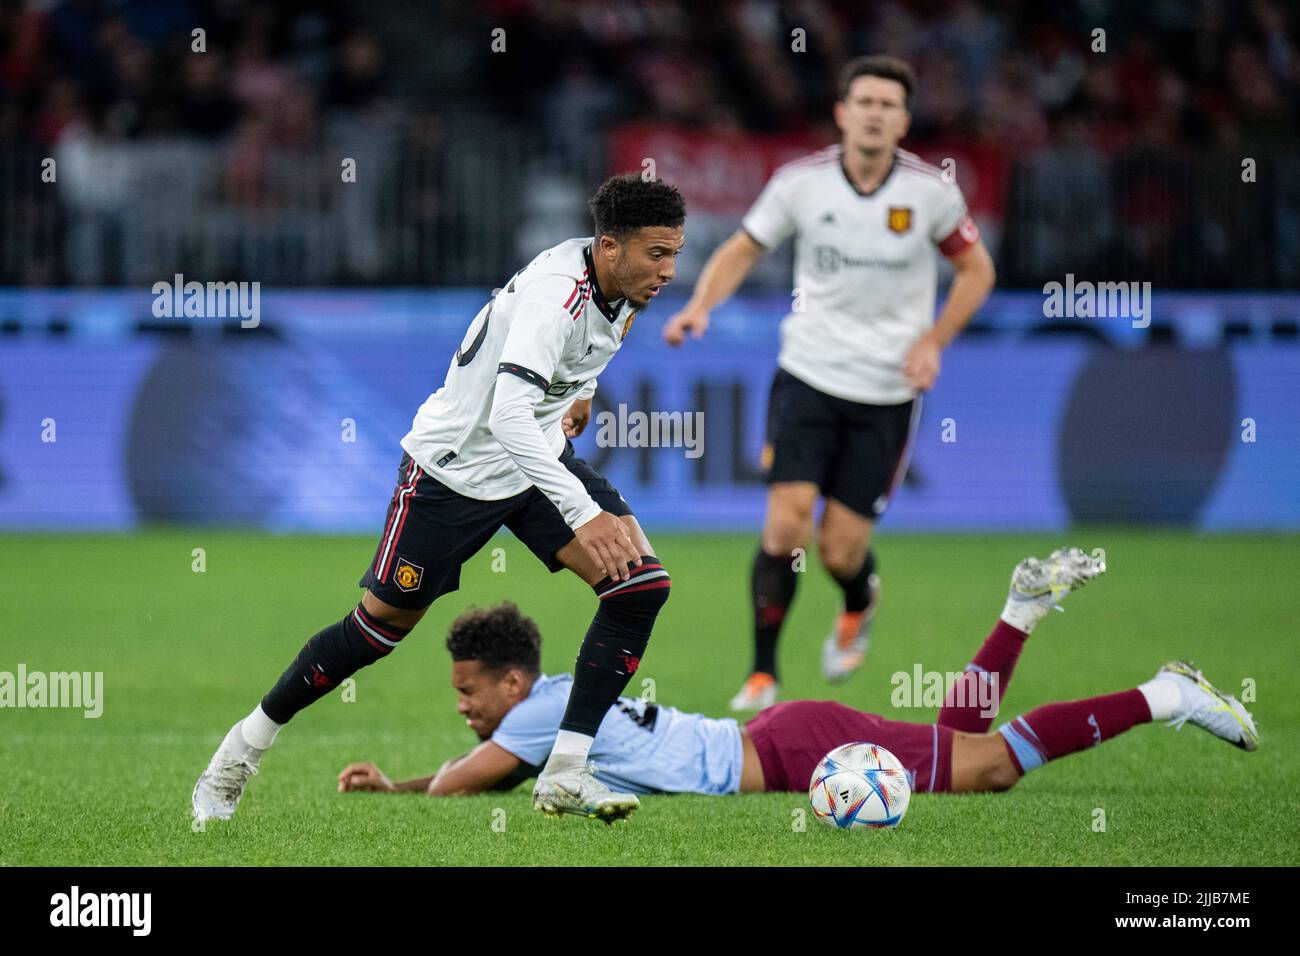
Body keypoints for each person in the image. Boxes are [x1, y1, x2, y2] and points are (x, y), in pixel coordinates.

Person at [193, 174, 686, 824]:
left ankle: (566, 770)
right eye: (658, 254)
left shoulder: (622, 287)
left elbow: (574, 365)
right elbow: (509, 419)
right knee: (375, 630)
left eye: (674, 254)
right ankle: (242, 749)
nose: (670, 271)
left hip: (532, 464)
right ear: (610, 245)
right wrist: (584, 512)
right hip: (454, 474)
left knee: (639, 586)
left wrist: (578, 394)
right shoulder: (555, 298)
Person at [337, 549, 1258, 811]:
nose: (461, 708)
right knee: (957, 753)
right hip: (785, 744)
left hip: (789, 751)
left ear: (510, 681)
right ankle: (1019, 610)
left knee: (995, 767)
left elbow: (465, 783)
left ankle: (1165, 694)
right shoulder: (548, 708)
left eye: (468, 692)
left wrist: (395, 791)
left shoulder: (535, 720)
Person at [662, 55, 997, 709]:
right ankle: (762, 674)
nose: (874, 113)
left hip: (887, 394)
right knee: (785, 528)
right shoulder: (800, 183)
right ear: (842, 114)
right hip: (807, 376)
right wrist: (700, 305)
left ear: (904, 122)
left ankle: (856, 603)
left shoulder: (931, 194)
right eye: (863, 102)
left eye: (888, 104)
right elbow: (741, 249)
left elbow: (977, 271)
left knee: (840, 550)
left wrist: (934, 341)